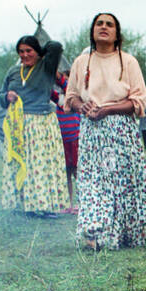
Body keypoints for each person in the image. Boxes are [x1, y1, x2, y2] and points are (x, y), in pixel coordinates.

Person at [63, 13, 146, 250]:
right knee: (94, 181)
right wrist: (82, 106)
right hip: (92, 130)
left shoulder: (129, 62)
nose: (103, 27)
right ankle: (94, 234)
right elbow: (70, 97)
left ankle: (125, 235)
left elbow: (138, 100)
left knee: (121, 182)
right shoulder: (81, 62)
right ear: (93, 31)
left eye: (109, 24)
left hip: (121, 129)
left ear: (117, 33)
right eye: (99, 24)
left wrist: (108, 109)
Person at [0, 36, 66, 216]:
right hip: (18, 123)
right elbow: (1, 96)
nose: (25, 55)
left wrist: (42, 53)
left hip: (40, 122)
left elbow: (56, 46)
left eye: (29, 51)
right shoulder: (13, 71)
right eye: (21, 51)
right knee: (21, 163)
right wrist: (7, 97)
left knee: (39, 164)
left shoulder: (46, 67)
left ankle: (42, 205)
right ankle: (22, 204)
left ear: (37, 52)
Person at [52, 69, 81, 212]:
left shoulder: (74, 99)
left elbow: (66, 85)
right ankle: (69, 204)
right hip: (63, 141)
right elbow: (50, 92)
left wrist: (61, 78)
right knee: (67, 173)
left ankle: (81, 203)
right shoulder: (59, 99)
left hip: (75, 140)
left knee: (77, 172)